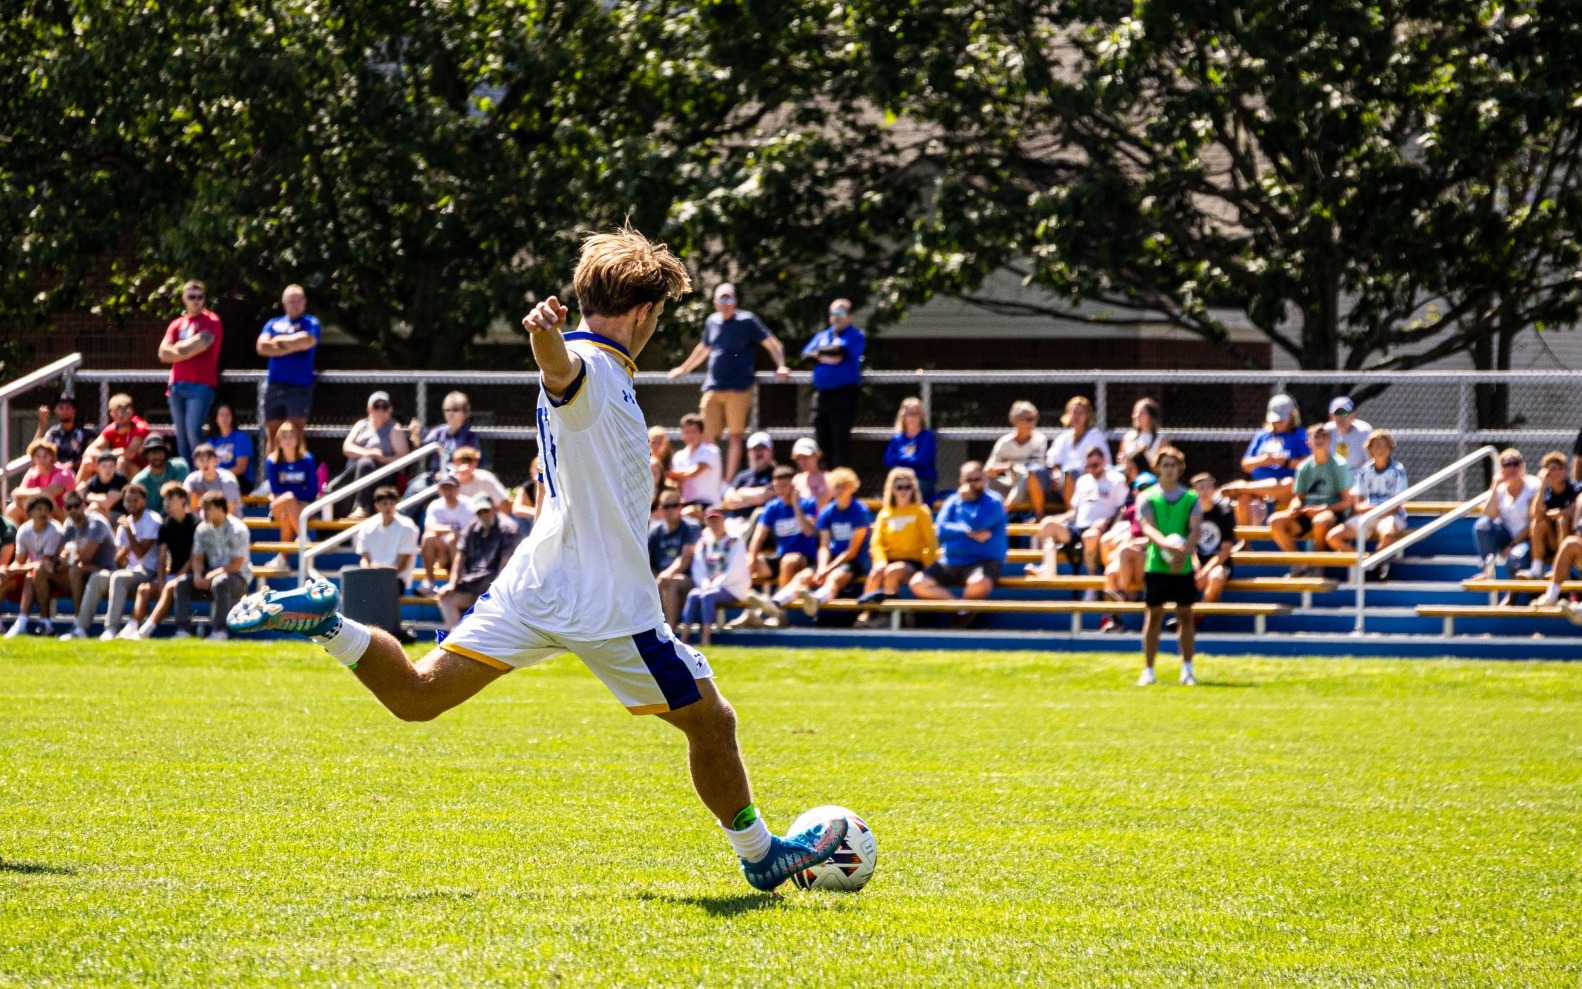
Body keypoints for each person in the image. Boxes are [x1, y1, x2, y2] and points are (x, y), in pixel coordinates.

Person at [226, 227, 849, 892]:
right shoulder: (595, 368)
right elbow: (561, 375)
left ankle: (328, 623)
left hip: (537, 579)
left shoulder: (599, 368)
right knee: (711, 719)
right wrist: (542, 339)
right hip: (607, 602)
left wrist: (552, 343)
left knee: (417, 695)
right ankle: (759, 854)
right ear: (641, 312)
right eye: (659, 315)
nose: (655, 327)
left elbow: (562, 373)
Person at [668, 282, 791, 484]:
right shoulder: (712, 322)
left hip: (739, 388)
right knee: (707, 437)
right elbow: (703, 348)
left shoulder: (747, 320)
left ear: (736, 301)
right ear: (715, 302)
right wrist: (683, 369)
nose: (726, 303)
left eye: (730, 298)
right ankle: (709, 481)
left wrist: (782, 365)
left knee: (735, 437)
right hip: (713, 387)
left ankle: (727, 482)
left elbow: (772, 343)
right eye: (722, 298)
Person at [1135, 446, 1202, 686]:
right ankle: (1149, 670)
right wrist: (1167, 547)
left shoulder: (1191, 498)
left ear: (1180, 469)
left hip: (1181, 566)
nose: (1170, 469)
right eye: (1165, 465)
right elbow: (1147, 527)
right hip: (1156, 565)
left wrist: (1183, 555)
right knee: (1153, 616)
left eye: (1174, 465)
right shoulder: (1147, 497)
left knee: (1185, 615)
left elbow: (1195, 530)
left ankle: (1187, 669)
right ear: (1157, 469)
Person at [909, 461, 1007, 612]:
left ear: (984, 480)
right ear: (961, 482)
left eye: (977, 480)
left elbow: (976, 523)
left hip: (984, 561)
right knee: (917, 583)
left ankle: (963, 615)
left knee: (979, 583)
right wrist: (967, 532)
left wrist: (965, 505)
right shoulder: (952, 501)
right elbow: (941, 531)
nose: (973, 484)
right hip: (950, 562)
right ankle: (959, 609)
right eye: (968, 480)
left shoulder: (994, 501)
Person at [775, 467, 871, 617]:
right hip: (832, 559)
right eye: (836, 486)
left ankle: (816, 600)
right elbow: (824, 546)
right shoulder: (827, 511)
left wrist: (828, 569)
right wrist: (821, 568)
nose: (839, 490)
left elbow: (851, 551)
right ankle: (775, 603)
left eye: (843, 486)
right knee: (803, 576)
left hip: (854, 561)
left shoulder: (860, 511)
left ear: (852, 488)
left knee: (833, 578)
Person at [1029, 447, 1127, 581]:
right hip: (1078, 527)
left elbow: (1122, 508)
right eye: (1089, 465)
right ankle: (1049, 569)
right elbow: (1074, 512)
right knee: (1048, 524)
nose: (1092, 469)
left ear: (1104, 462)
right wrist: (1057, 518)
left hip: (1101, 529)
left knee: (1090, 536)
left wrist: (1109, 522)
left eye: (1095, 465)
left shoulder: (1117, 480)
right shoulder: (1083, 481)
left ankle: (1091, 586)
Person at [854, 467, 938, 624]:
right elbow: (876, 542)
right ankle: (866, 613)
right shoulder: (885, 513)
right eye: (900, 487)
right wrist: (880, 561)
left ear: (914, 489)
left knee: (893, 571)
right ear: (892, 489)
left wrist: (930, 569)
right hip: (888, 561)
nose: (904, 491)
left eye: (908, 487)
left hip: (912, 562)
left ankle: (887, 615)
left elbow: (931, 542)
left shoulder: (921, 511)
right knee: (876, 573)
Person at [1327, 430, 1410, 578]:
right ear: (1369, 448)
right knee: (1333, 537)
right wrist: (1377, 509)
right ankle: (1367, 563)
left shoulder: (1397, 470)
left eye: (1384, 446)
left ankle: (1377, 564)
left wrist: (1375, 510)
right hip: (1368, 515)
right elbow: (1358, 505)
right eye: (1376, 445)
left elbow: (1396, 506)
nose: (1380, 449)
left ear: (1390, 448)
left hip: (1389, 516)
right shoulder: (1364, 471)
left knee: (1388, 535)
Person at [1268, 423, 1352, 567]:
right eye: (1316, 436)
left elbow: (1347, 502)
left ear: (1330, 441)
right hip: (1308, 511)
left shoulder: (1339, 465)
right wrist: (1294, 508)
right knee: (1275, 521)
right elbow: (1298, 498)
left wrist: (1322, 509)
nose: (1320, 440)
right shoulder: (1303, 467)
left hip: (1332, 513)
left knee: (1320, 521)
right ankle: (1299, 564)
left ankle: (1318, 565)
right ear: (1308, 441)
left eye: (1324, 436)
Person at [159, 279, 223, 462]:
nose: (196, 300)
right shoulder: (176, 323)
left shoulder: (212, 320)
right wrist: (187, 350)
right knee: (181, 435)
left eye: (200, 297)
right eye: (191, 296)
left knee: (193, 431)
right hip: (176, 386)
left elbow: (202, 343)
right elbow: (162, 353)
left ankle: (203, 474)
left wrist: (177, 350)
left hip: (201, 386)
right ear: (184, 298)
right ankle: (188, 478)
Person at [1222, 393, 1311, 525]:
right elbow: (1245, 464)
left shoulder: (1299, 435)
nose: (1278, 423)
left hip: (1288, 490)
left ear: (1292, 416)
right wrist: (1264, 460)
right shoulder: (1262, 435)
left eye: (1282, 419)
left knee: (1289, 482)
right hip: (1260, 486)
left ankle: (1243, 487)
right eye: (1276, 420)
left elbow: (1309, 466)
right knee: (1244, 497)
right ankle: (1245, 542)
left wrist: (1285, 462)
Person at [434, 494, 521, 628]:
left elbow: (506, 562)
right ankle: (455, 637)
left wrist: (496, 587)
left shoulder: (508, 528)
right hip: (471, 582)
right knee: (446, 596)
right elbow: (460, 557)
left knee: (487, 599)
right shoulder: (471, 527)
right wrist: (452, 583)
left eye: (486, 510)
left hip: (494, 583)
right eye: (479, 512)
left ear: (494, 508)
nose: (483, 514)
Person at [800, 298, 865, 469]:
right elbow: (804, 356)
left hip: (844, 395)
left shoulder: (855, 335)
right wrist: (827, 357)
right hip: (822, 396)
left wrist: (819, 355)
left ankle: (842, 486)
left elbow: (839, 352)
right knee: (823, 443)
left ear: (850, 317)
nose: (837, 317)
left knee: (840, 442)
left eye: (841, 313)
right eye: (834, 314)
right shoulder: (822, 336)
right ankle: (826, 487)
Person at [256, 283, 320, 454]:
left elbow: (307, 341)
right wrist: (292, 344)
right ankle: (272, 475)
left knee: (296, 432)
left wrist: (276, 343)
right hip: (274, 385)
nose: (295, 304)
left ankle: (301, 474)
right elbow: (262, 347)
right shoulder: (273, 323)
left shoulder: (311, 322)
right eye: (291, 301)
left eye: (298, 300)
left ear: (305, 302)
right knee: (273, 433)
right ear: (284, 303)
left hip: (299, 385)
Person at [327, 390, 411, 519]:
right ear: (369, 409)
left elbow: (404, 460)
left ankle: (361, 507)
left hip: (381, 475)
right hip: (354, 473)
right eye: (376, 406)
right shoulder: (361, 424)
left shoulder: (394, 429)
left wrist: (383, 459)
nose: (380, 410)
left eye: (385, 407)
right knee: (335, 487)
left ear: (390, 410)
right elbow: (347, 447)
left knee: (365, 463)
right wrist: (368, 453)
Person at [135, 482, 199, 640]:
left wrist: (175, 579)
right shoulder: (166, 525)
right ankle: (131, 627)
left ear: (183, 500)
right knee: (144, 589)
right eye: (165, 499)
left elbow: (193, 557)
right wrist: (162, 580)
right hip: (172, 575)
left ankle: (146, 629)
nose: (166, 503)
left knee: (170, 588)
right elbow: (162, 558)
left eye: (170, 498)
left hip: (192, 574)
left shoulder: (195, 522)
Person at [678, 507, 750, 647]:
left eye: (717, 520)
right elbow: (698, 567)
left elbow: (736, 569)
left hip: (732, 587)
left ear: (723, 521)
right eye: (711, 521)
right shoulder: (704, 543)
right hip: (709, 586)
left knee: (708, 596)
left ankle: (706, 638)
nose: (715, 524)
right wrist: (704, 582)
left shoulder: (736, 541)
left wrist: (715, 583)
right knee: (693, 595)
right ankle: (683, 639)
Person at [102, 482, 162, 640]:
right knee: (97, 577)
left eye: (136, 500)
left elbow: (141, 553)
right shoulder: (124, 524)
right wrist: (121, 556)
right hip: (131, 571)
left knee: (118, 578)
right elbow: (120, 561)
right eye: (128, 500)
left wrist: (129, 530)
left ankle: (111, 628)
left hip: (150, 571)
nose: (132, 504)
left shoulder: (152, 520)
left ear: (144, 501)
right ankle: (80, 626)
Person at [188, 491, 251, 641]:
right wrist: (197, 574)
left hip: (238, 578)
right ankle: (182, 630)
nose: (203, 513)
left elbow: (236, 565)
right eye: (202, 508)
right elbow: (197, 557)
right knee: (182, 584)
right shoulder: (202, 529)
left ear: (220, 508)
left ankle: (219, 631)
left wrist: (211, 575)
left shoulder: (238, 529)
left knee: (220, 582)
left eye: (207, 508)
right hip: (211, 573)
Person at [1472, 448, 1540, 582]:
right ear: (1501, 468)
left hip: (1529, 538)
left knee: (1515, 557)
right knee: (1482, 525)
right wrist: (1495, 485)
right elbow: (1488, 515)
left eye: (1515, 463)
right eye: (1507, 464)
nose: (1512, 468)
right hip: (1506, 536)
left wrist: (1512, 546)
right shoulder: (1501, 488)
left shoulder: (1533, 485)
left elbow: (1534, 521)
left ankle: (1513, 598)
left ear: (1522, 465)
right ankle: (1487, 570)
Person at [57, 492, 118, 640]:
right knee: (42, 572)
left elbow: (85, 557)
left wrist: (69, 557)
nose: (73, 510)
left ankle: (79, 624)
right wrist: (64, 558)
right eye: (69, 507)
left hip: (107, 569)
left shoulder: (96, 522)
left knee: (74, 570)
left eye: (77, 506)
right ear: (65, 509)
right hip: (85, 569)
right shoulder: (69, 523)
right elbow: (61, 550)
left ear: (84, 506)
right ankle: (43, 622)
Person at [3, 496, 66, 638]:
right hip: (32, 572)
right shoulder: (24, 531)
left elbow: (45, 563)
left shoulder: (54, 530)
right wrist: (7, 570)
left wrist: (16, 570)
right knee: (5, 578)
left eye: (46, 510)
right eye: (39, 509)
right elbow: (19, 561)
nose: (44, 513)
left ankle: (27, 622)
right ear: (30, 512)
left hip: (54, 575)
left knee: (32, 575)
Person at [407, 390, 482, 499]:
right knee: (413, 489)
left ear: (465, 413)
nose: (450, 413)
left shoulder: (469, 436)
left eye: (455, 410)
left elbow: (473, 462)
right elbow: (422, 446)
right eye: (447, 410)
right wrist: (414, 435)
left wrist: (448, 475)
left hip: (455, 479)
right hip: (434, 476)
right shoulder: (439, 431)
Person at [985, 401, 1051, 519]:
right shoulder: (1004, 442)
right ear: (1015, 421)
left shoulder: (1039, 440)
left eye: (1034, 418)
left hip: (1031, 488)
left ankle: (1001, 514)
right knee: (986, 481)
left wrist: (1013, 466)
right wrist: (1003, 467)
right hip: (1010, 483)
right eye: (1028, 419)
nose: (1033, 423)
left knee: (1026, 475)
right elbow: (987, 470)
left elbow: (1037, 467)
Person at [650, 489, 703, 628]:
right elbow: (646, 559)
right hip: (661, 578)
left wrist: (666, 574)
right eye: (667, 506)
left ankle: (670, 632)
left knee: (670, 582)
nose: (671, 510)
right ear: (661, 509)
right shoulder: (655, 531)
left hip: (689, 578)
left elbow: (685, 558)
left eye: (675, 505)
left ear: (681, 506)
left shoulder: (691, 527)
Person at [265, 421, 318, 559]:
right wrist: (293, 498)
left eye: (291, 436)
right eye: (284, 437)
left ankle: (282, 559)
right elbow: (276, 490)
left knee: (286, 517)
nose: (288, 440)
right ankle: (303, 538)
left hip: (303, 504)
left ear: (297, 440)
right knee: (288, 499)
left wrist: (294, 500)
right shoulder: (272, 461)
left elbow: (312, 490)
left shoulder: (307, 459)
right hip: (280, 504)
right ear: (279, 441)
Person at [1045, 395, 1111, 506]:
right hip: (1061, 482)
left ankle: (1072, 514)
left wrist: (1070, 476)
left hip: (1087, 480)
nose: (1076, 416)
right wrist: (1056, 475)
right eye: (1073, 412)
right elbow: (1053, 462)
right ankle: (1038, 515)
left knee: (1071, 473)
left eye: (1080, 413)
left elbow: (1101, 465)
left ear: (1088, 415)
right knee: (1036, 472)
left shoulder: (1095, 436)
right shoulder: (1064, 437)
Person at [1526, 451, 1582, 579]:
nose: (1556, 472)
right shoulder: (1546, 491)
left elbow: (1572, 511)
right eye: (1552, 469)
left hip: (1572, 539)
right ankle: (1536, 569)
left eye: (1560, 468)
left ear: (1566, 470)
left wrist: (1555, 513)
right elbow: (1535, 514)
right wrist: (1542, 485)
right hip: (1552, 540)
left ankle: (1560, 568)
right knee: (1538, 524)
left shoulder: (1575, 488)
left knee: (1562, 520)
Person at [356, 486, 421, 591]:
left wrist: (379, 571)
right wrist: (368, 573)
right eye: (384, 503)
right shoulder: (367, 527)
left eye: (392, 503)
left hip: (396, 580)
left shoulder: (407, 527)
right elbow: (365, 559)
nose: (388, 507)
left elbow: (402, 565)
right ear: (376, 506)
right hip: (372, 578)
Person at [418, 471, 472, 595]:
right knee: (428, 537)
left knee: (453, 539)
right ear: (439, 490)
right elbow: (429, 527)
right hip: (442, 554)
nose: (448, 491)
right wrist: (450, 529)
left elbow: (467, 533)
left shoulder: (469, 505)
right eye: (444, 488)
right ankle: (429, 582)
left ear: (458, 489)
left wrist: (450, 533)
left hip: (464, 555)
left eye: (451, 488)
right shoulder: (435, 505)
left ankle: (458, 581)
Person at [78, 393, 151, 483]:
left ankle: (119, 494)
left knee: (121, 461)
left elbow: (130, 454)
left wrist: (108, 455)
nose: (120, 415)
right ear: (111, 414)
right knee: (88, 462)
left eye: (124, 411)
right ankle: (75, 495)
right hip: (115, 463)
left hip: (141, 470)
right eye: (116, 411)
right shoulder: (112, 429)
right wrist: (113, 453)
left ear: (131, 411)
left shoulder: (140, 427)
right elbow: (88, 451)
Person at [1191, 473, 1237, 612]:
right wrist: (1196, 566)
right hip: (1196, 562)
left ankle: (1197, 616)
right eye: (1199, 488)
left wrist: (1205, 571)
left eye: (1207, 487)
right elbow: (1189, 546)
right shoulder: (1190, 514)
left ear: (1214, 490)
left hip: (1219, 563)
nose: (1203, 492)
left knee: (1216, 578)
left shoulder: (1225, 512)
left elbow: (1225, 550)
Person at [8, 439, 76, 524]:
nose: (42, 460)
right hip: (42, 510)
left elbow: (48, 494)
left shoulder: (62, 473)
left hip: (67, 515)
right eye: (38, 456)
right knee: (13, 508)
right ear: (33, 458)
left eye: (45, 456)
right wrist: (22, 495)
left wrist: (24, 493)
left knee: (48, 504)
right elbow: (17, 495)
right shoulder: (32, 472)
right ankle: (15, 536)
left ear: (51, 456)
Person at [884, 397, 937, 504]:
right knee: (897, 488)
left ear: (921, 416)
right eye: (908, 414)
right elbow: (887, 460)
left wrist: (899, 460)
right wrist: (911, 459)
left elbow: (922, 461)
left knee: (908, 490)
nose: (911, 417)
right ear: (902, 417)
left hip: (922, 479)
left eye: (915, 414)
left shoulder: (927, 437)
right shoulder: (898, 438)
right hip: (900, 478)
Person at [667, 413, 723, 511]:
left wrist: (667, 473)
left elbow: (692, 473)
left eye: (694, 432)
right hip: (686, 505)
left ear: (701, 433)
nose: (690, 435)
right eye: (687, 432)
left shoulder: (711, 451)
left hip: (710, 506)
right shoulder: (678, 456)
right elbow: (676, 482)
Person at [33, 393, 94, 474]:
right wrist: (42, 424)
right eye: (61, 408)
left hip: (77, 474)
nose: (65, 411)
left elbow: (91, 457)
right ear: (55, 411)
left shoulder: (85, 433)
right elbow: (34, 450)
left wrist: (72, 465)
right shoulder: (53, 433)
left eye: (68, 408)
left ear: (73, 410)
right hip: (55, 474)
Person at [720, 431, 777, 517]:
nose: (758, 453)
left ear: (771, 452)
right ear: (749, 453)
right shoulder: (742, 476)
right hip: (737, 522)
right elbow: (728, 501)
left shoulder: (776, 475)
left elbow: (763, 496)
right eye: (755, 449)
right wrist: (755, 498)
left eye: (762, 448)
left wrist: (740, 493)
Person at [206, 402, 254, 494]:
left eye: (228, 415)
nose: (225, 418)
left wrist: (219, 477)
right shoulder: (211, 441)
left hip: (239, 480)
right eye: (221, 415)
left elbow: (240, 468)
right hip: (216, 479)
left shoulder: (241, 438)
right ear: (216, 418)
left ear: (232, 417)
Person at [183, 443, 243, 517]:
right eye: (201, 460)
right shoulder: (192, 479)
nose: (205, 463)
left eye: (208, 459)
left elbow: (230, 510)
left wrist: (201, 496)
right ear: (195, 463)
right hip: (201, 524)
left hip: (228, 524)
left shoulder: (227, 480)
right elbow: (184, 499)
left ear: (216, 460)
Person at [448, 446, 510, 513]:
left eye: (469, 461)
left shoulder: (486, 478)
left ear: (476, 463)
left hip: (482, 518)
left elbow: (503, 503)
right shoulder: (448, 481)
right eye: (461, 461)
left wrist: (497, 522)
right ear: (454, 463)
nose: (465, 466)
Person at [79, 451, 128, 523]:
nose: (108, 470)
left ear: (115, 468)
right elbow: (79, 495)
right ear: (97, 468)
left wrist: (85, 495)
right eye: (104, 466)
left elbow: (107, 503)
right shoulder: (93, 481)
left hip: (120, 516)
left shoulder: (120, 479)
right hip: (100, 514)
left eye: (111, 466)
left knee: (94, 508)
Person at [1328, 396, 1373, 473]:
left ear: (1353, 415)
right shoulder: (1326, 431)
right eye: (1337, 413)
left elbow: (1371, 461)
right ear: (1331, 416)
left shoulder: (1364, 431)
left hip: (1358, 477)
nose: (1341, 417)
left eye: (1344, 413)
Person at [1117, 397, 1165, 468]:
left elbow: (1163, 465)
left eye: (1140, 413)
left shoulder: (1161, 439)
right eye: (1135, 413)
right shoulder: (1128, 436)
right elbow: (1119, 459)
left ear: (1151, 416)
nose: (1135, 416)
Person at [790, 437, 831, 510]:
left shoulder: (829, 478)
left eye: (806, 457)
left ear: (817, 456)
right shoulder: (796, 480)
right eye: (799, 458)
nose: (802, 461)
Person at [648, 426, 675, 508]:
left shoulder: (671, 462)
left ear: (665, 445)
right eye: (653, 442)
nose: (656, 446)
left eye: (659, 443)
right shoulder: (642, 460)